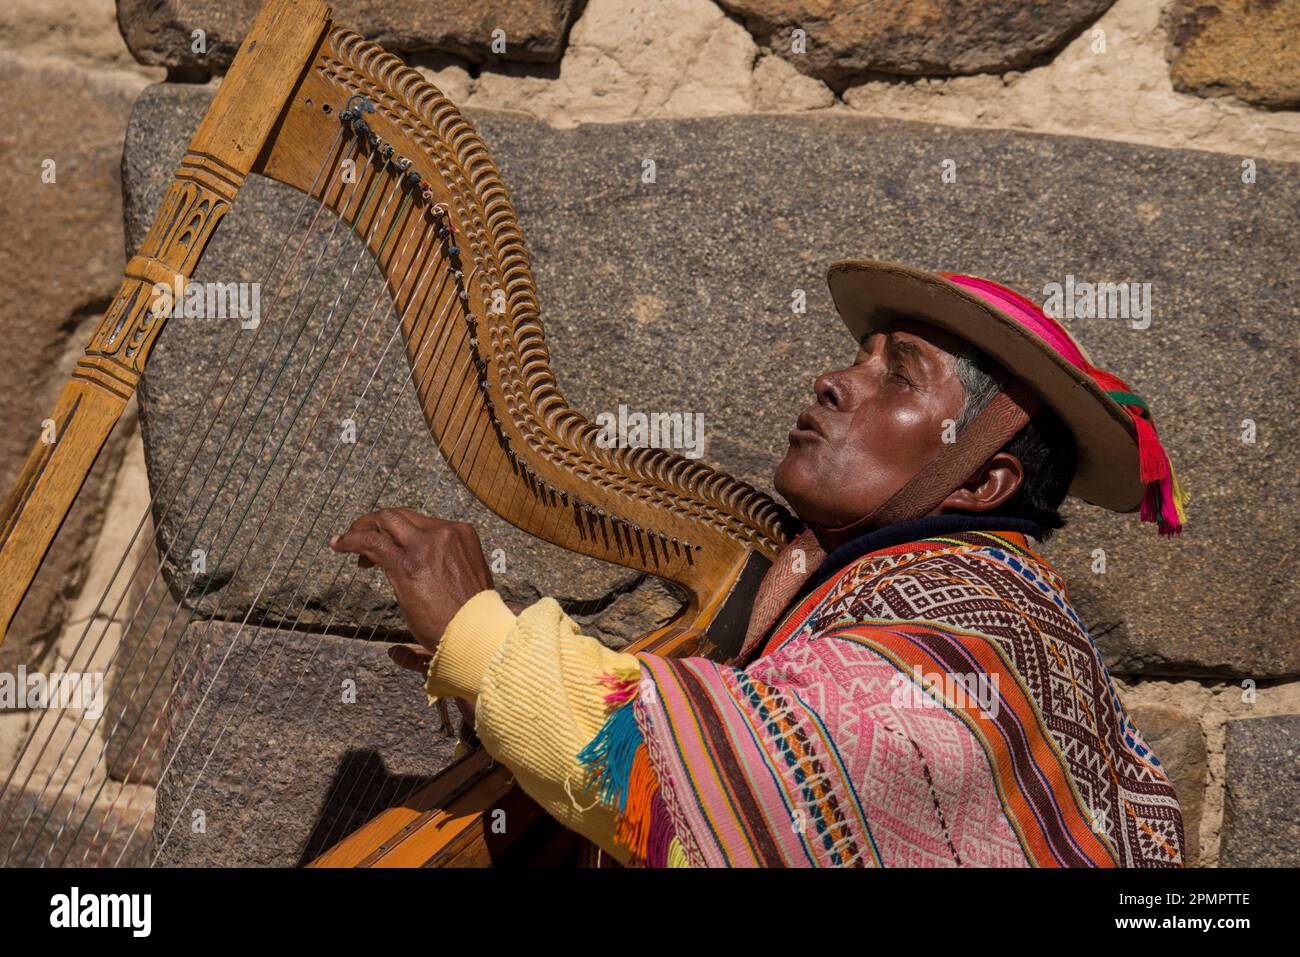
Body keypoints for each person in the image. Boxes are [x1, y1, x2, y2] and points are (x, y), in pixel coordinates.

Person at [330, 260, 1188, 867]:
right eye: (857, 358)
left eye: (898, 377)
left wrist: (481, 634)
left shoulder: (971, 628)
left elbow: (682, 783)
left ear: (984, 476)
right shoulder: (919, 598)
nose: (834, 380)